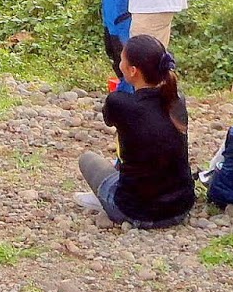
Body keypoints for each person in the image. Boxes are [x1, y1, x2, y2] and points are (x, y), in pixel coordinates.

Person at [78, 35, 195, 228]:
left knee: (87, 159)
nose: (119, 63)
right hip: (180, 207)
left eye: (122, 60)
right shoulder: (177, 100)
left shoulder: (119, 102)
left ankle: (105, 200)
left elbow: (111, 119)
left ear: (132, 71)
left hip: (137, 211)